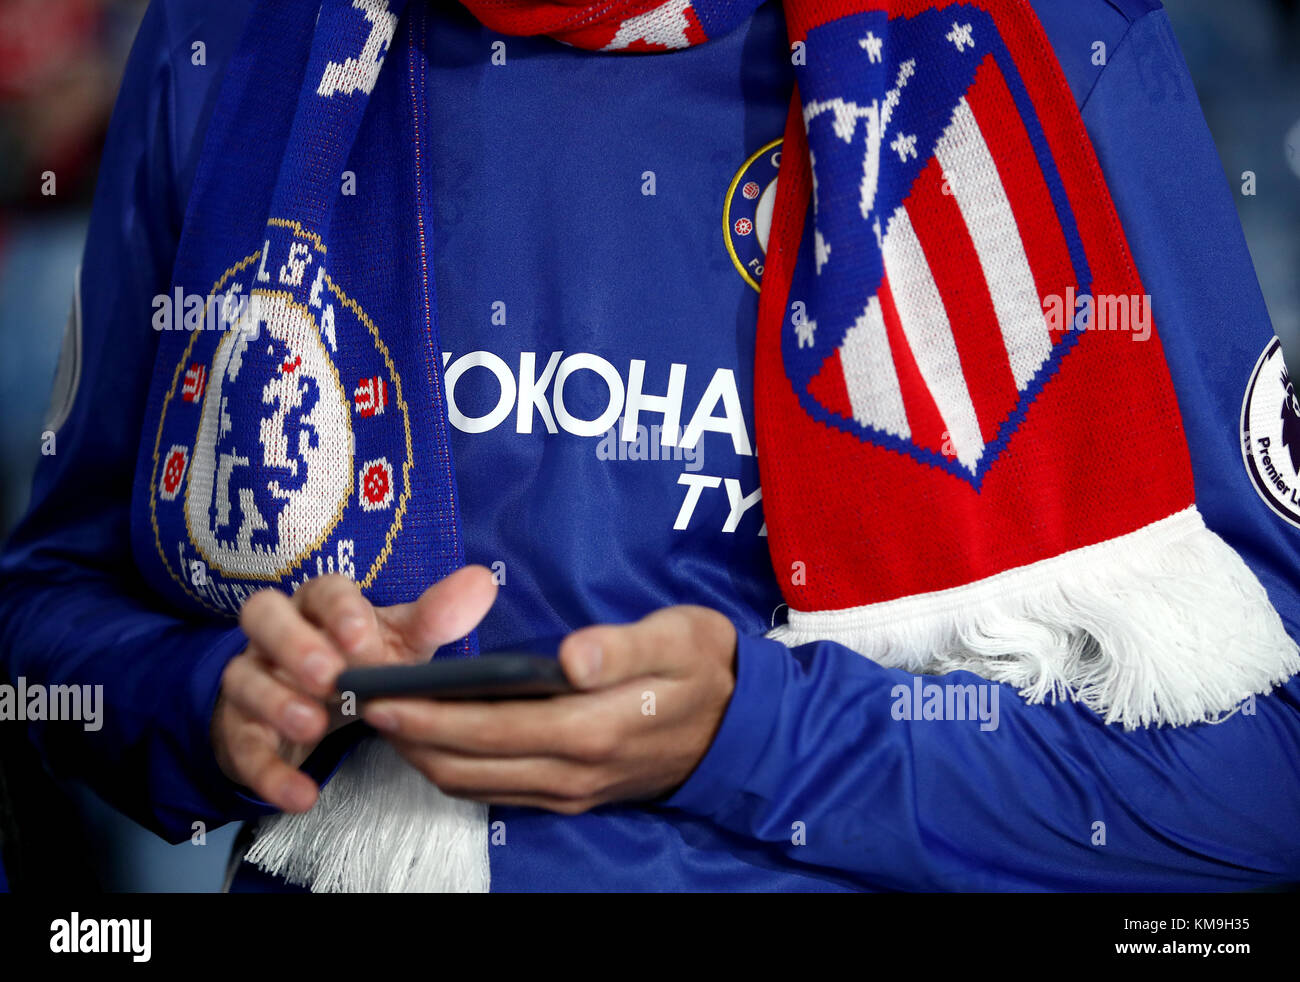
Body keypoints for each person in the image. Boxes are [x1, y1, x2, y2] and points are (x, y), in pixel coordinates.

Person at [1, 0, 1298, 893]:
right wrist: (222, 697)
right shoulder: (234, 43)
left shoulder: (1049, 41)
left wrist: (757, 737)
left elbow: (1266, 774)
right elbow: (48, 623)